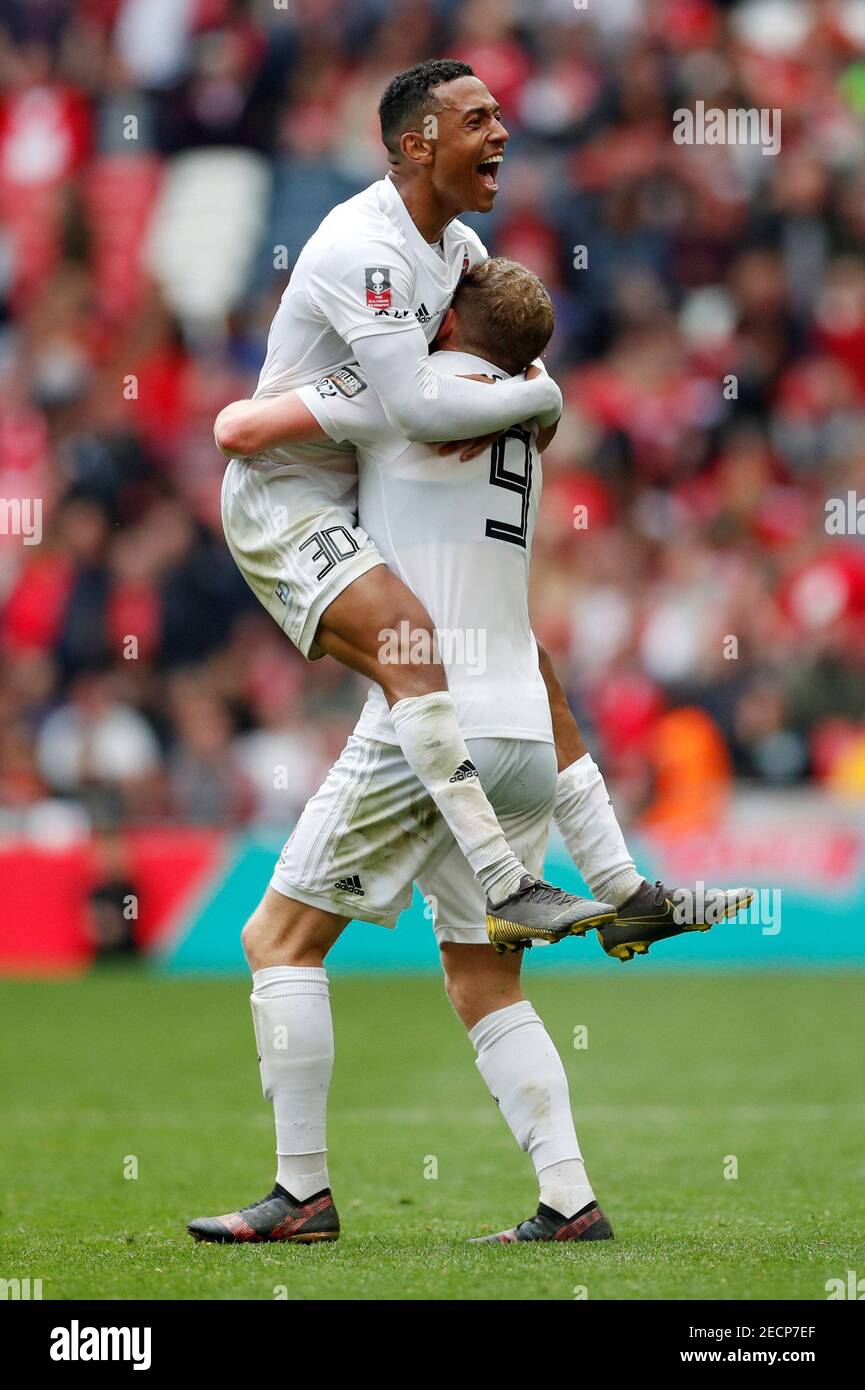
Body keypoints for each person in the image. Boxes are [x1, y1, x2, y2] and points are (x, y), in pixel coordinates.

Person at [188, 259, 749, 1248]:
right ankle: (569, 1200)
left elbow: (235, 430)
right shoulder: (529, 428)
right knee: (484, 979)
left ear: (443, 322)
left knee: (277, 941)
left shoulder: (402, 393)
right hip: (524, 730)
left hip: (430, 722)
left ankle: (301, 1193)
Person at [217, 58, 617, 947]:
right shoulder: (361, 247)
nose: (500, 133)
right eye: (476, 120)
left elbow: (514, 365)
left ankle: (622, 886)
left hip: (361, 490)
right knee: (414, 644)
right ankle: (508, 881)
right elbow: (416, 406)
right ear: (415, 143)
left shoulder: (459, 252)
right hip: (287, 503)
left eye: (499, 114)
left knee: (520, 659)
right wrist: (537, 401)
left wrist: (529, 390)